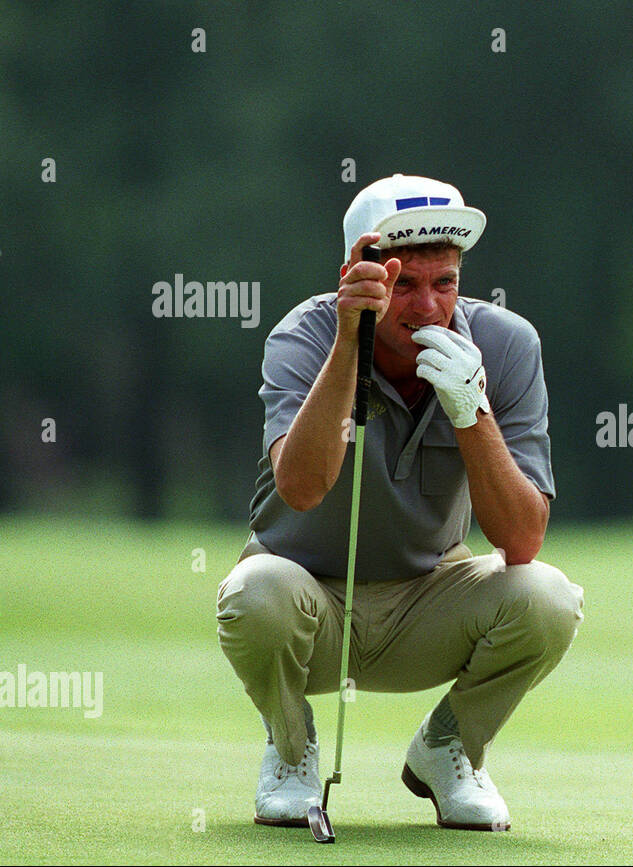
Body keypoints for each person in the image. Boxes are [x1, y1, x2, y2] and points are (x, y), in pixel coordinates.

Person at [216, 174, 584, 831]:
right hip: (309, 605)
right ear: (357, 276)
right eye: (402, 283)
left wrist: (473, 412)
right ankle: (292, 751)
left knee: (549, 598)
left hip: (429, 601)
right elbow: (300, 489)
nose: (426, 306)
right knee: (254, 591)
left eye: (444, 282)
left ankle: (450, 752)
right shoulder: (300, 340)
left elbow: (522, 542)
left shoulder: (506, 346)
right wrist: (347, 346)